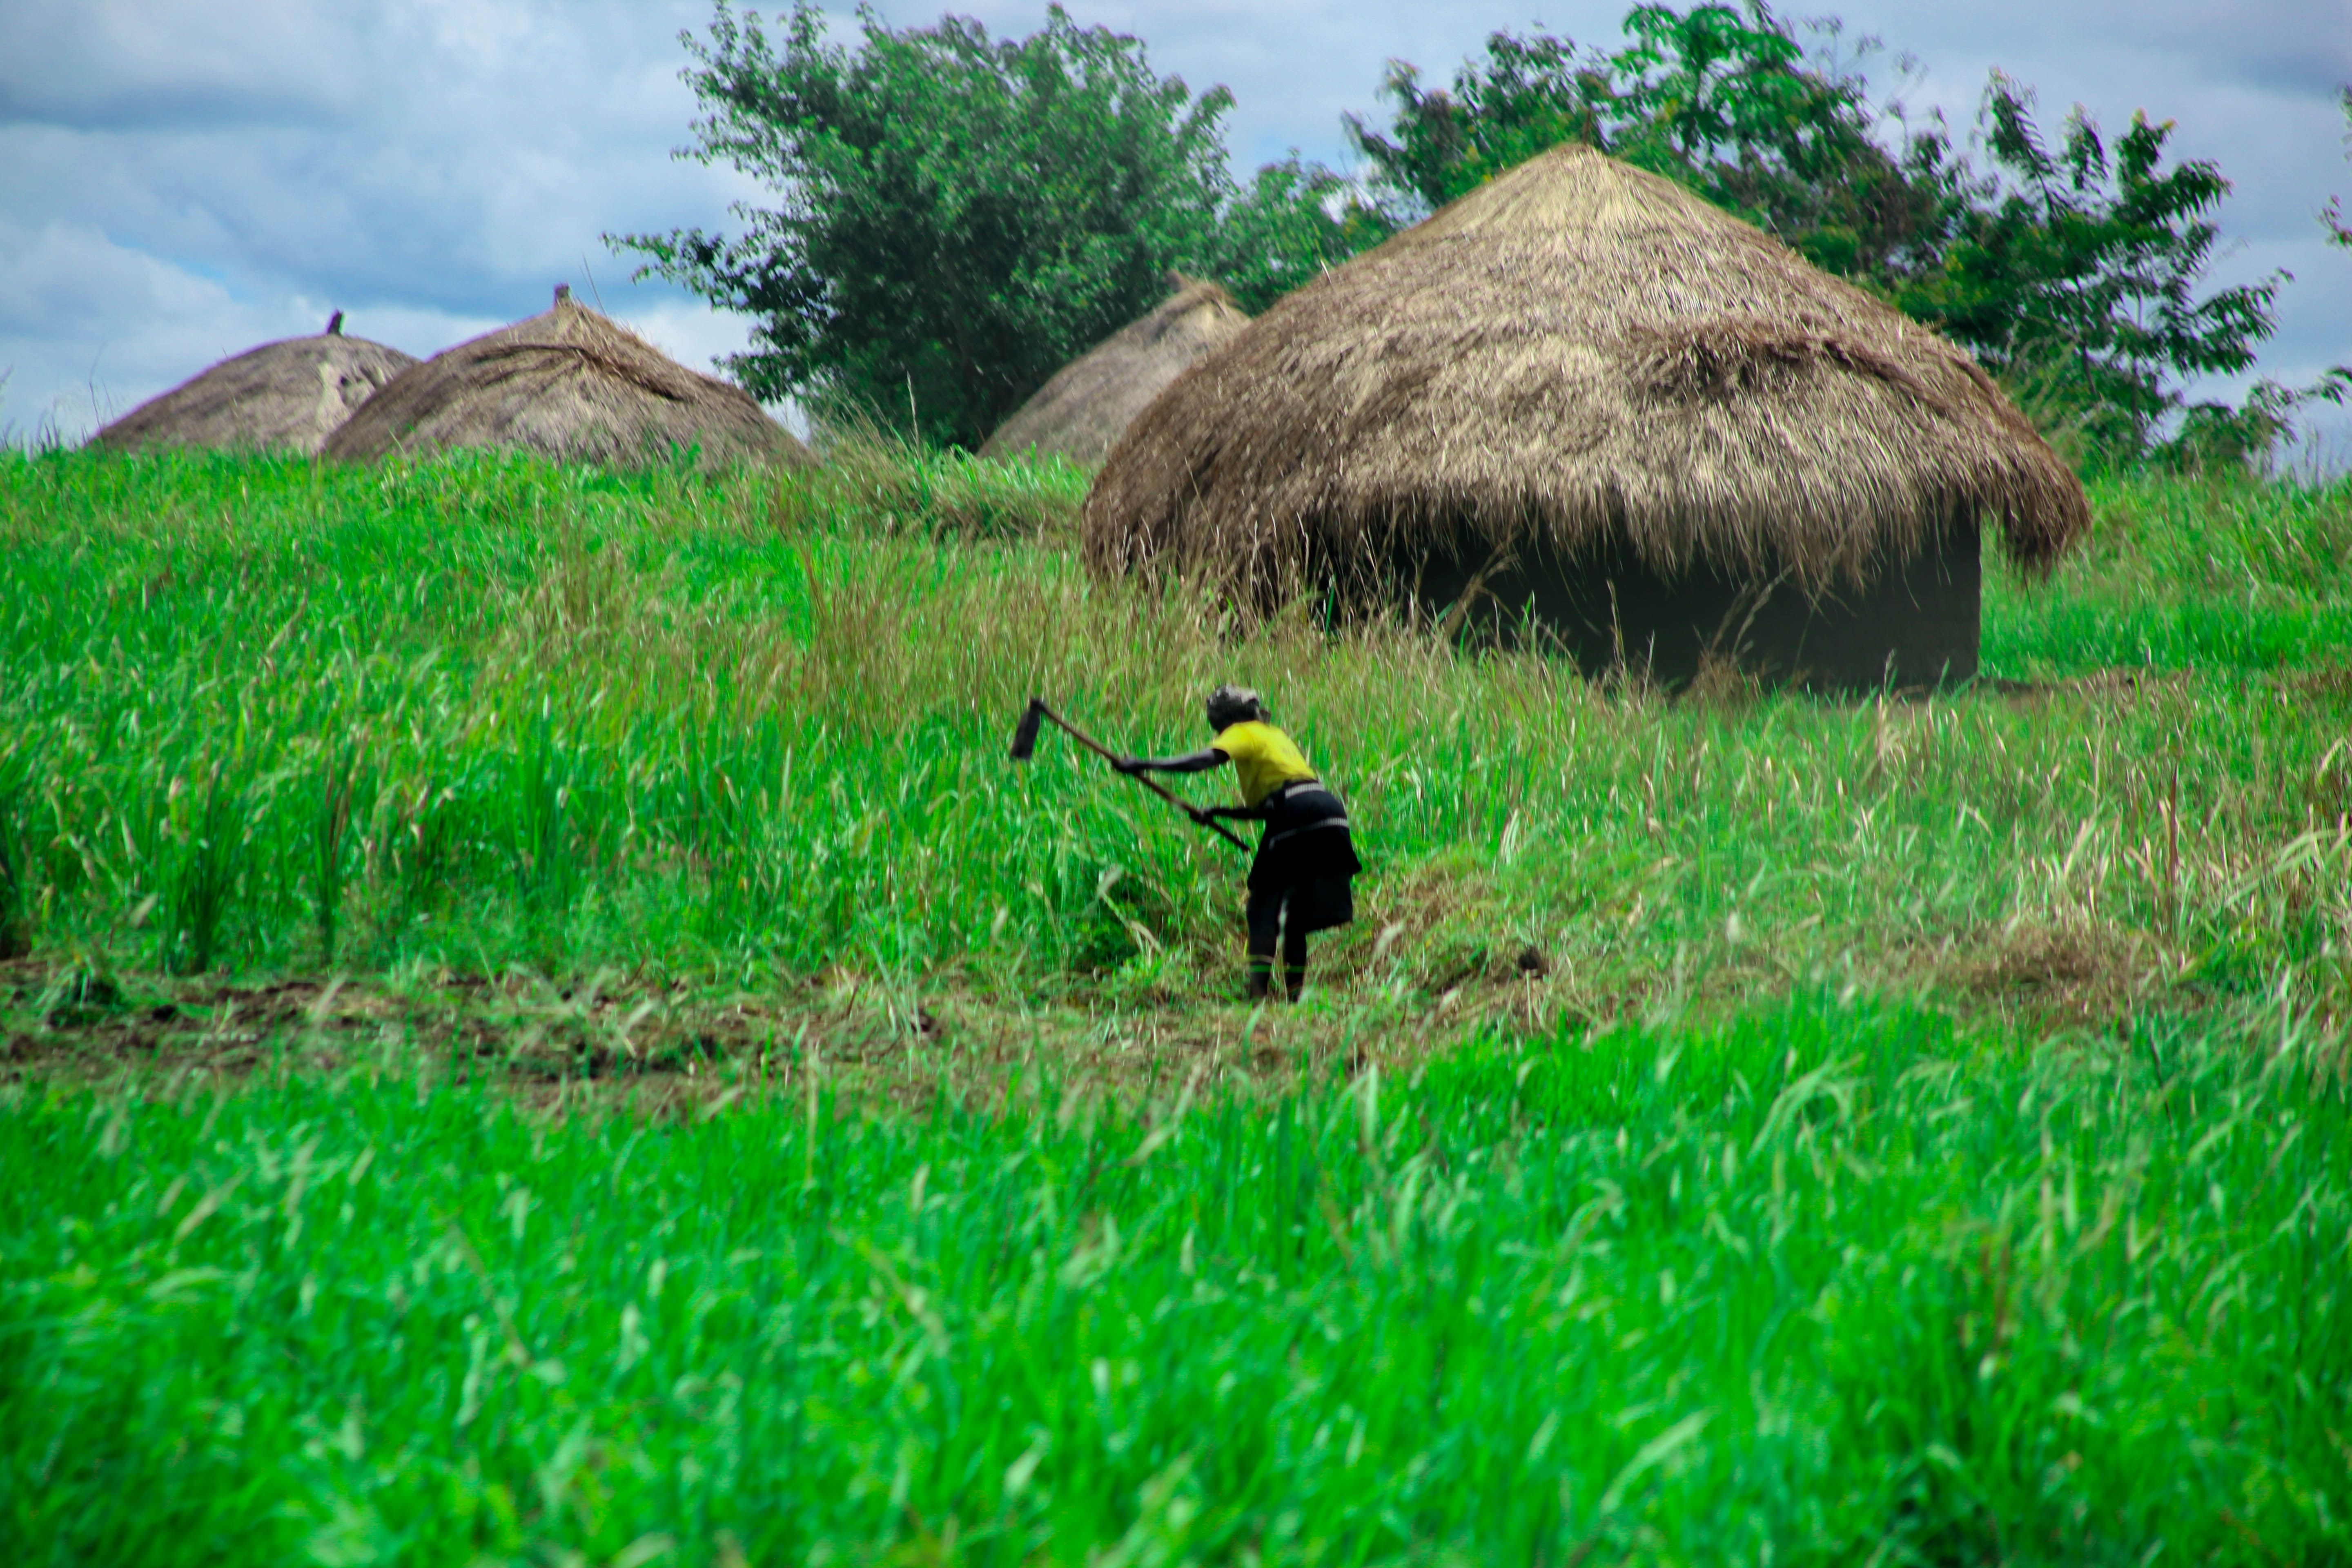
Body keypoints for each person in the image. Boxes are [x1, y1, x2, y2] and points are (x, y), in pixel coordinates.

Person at [1116, 686, 1360, 1002]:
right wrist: (1220, 812)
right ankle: (1296, 999)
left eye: (1216, 723)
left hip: (1296, 814)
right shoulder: (1275, 736)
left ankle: (1257, 998)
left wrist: (1146, 765)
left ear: (1228, 718)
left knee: (1262, 907)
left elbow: (1206, 759)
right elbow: (1274, 806)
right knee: (1293, 911)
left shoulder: (1242, 732)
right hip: (1330, 812)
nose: (1217, 730)